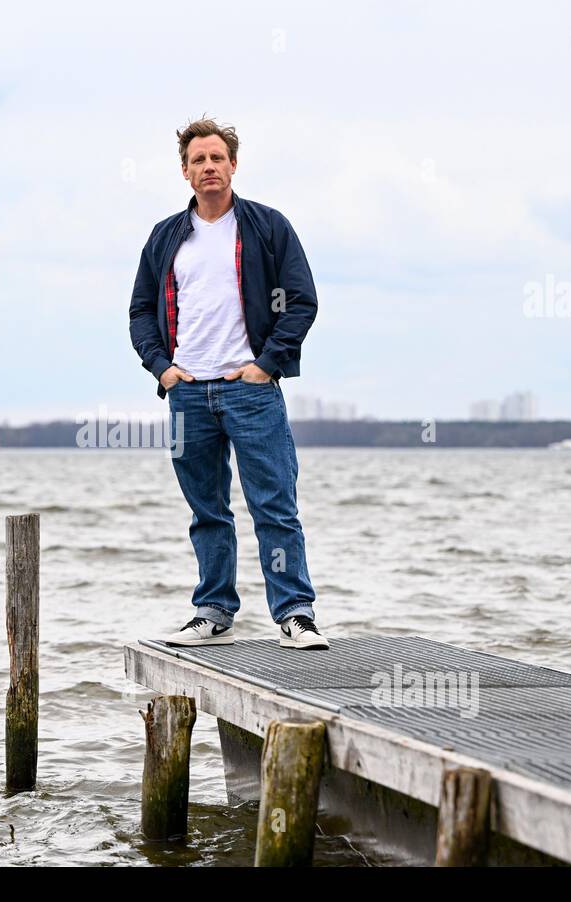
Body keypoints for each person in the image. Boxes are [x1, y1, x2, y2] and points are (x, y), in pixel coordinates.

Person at [128, 116, 326, 650]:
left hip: (251, 389)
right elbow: (142, 310)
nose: (209, 167)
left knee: (274, 504)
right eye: (198, 160)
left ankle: (295, 614)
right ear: (185, 172)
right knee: (207, 510)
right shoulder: (167, 237)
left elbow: (301, 301)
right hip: (189, 392)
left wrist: (267, 365)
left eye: (218, 157)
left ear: (233, 164)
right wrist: (162, 368)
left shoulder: (267, 227)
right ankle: (212, 611)